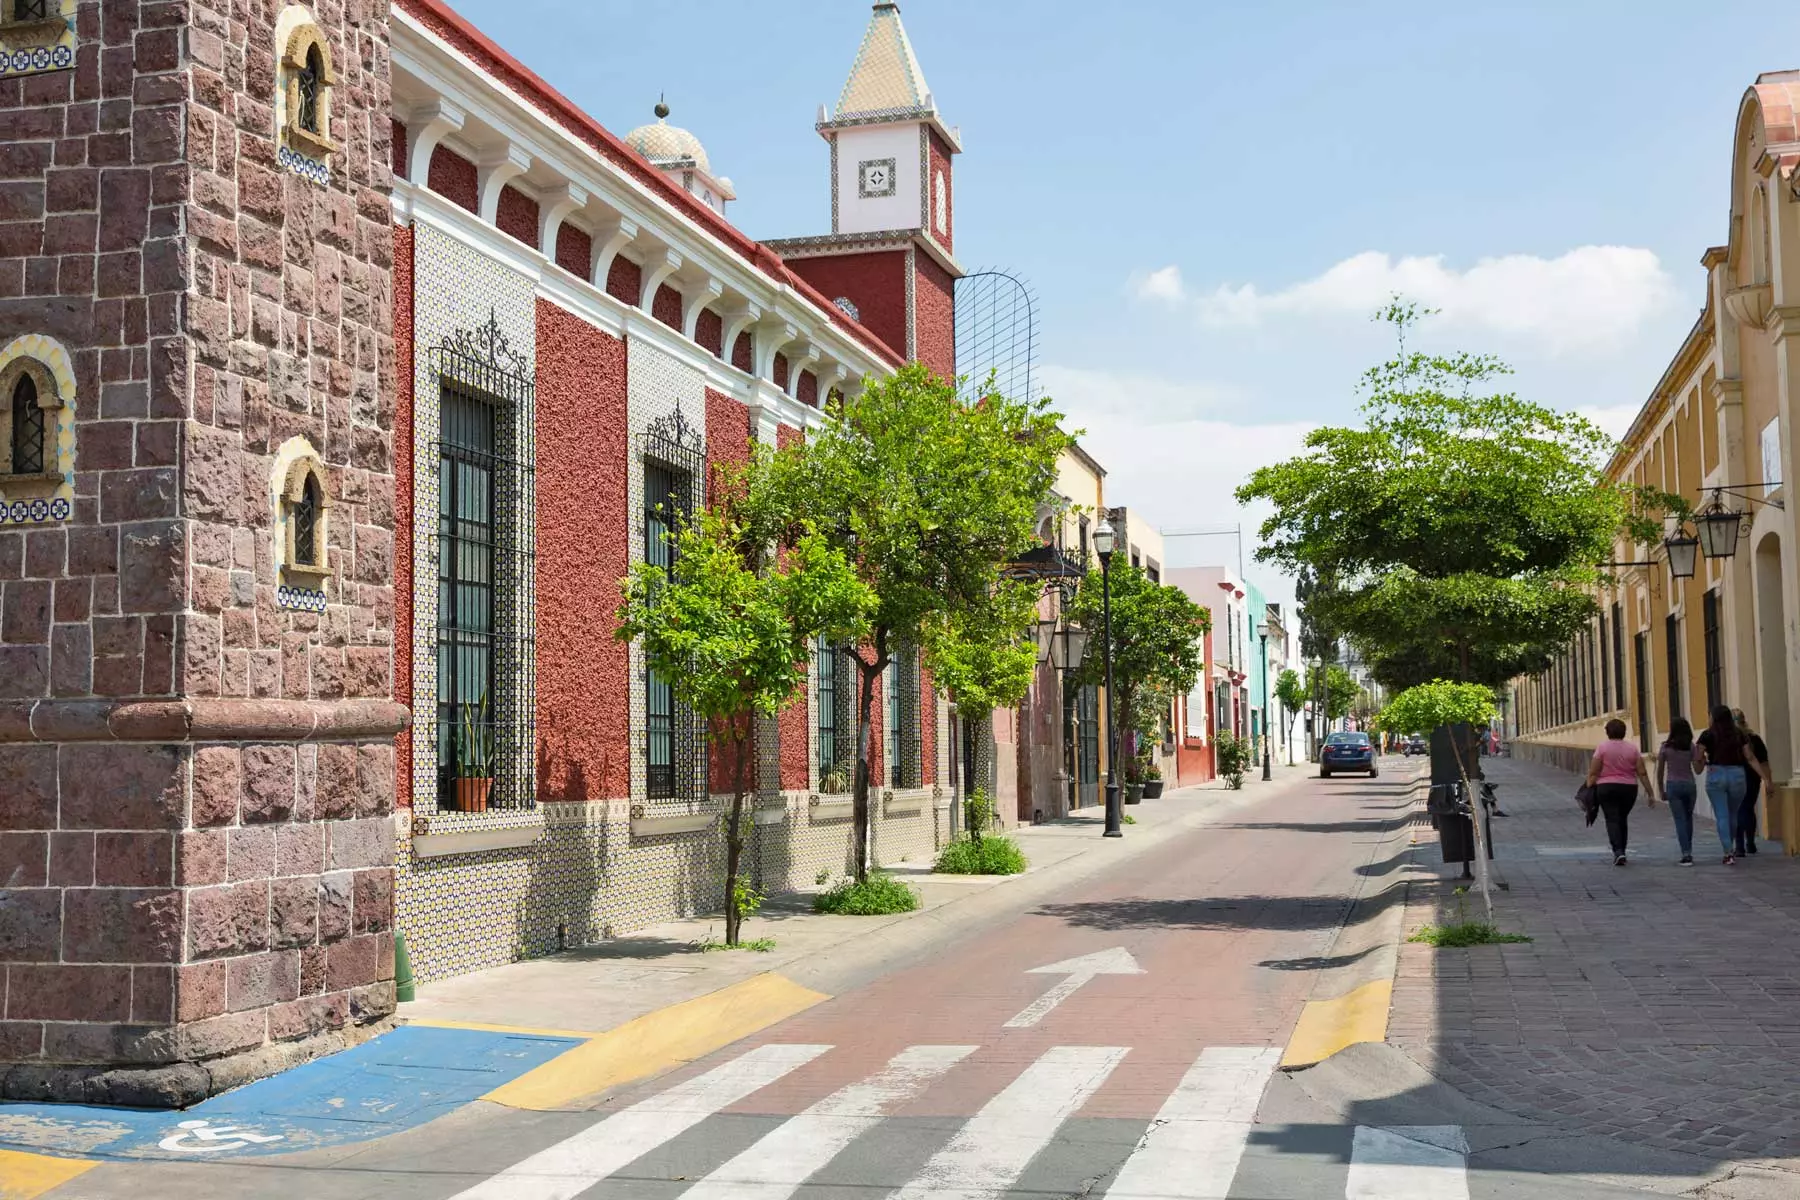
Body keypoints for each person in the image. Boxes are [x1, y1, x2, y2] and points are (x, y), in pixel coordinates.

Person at [1583, 717, 1656, 866]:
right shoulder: (1632, 749)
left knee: (1612, 818)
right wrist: (1650, 792)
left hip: (1606, 787)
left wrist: (1588, 786)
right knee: (1622, 818)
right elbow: (1642, 772)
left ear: (1608, 732)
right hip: (1628, 789)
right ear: (1624, 732)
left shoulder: (1602, 748)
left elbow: (1594, 771)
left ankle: (1618, 851)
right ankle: (1622, 849)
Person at [1695, 704, 1750, 865]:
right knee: (1733, 814)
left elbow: (1699, 758)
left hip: (1716, 774)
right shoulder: (1739, 734)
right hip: (1737, 774)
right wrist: (1766, 778)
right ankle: (1730, 846)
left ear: (1714, 717)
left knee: (1722, 815)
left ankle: (1728, 852)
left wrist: (1700, 763)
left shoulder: (1707, 734)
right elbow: (1750, 757)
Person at [1655, 717, 1700, 866]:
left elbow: (1660, 771)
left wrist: (1661, 790)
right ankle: (1689, 850)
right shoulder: (1691, 747)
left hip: (1673, 785)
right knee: (1688, 818)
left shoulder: (1665, 747)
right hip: (1689, 784)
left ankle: (1685, 853)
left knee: (1679, 820)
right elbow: (1697, 768)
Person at [1731, 709, 1775, 857]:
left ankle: (1739, 846)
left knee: (1737, 810)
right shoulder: (1755, 739)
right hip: (1753, 778)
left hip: (1735, 778)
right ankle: (1750, 843)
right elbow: (1764, 762)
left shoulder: (1730, 739)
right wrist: (1768, 781)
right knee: (1748, 809)